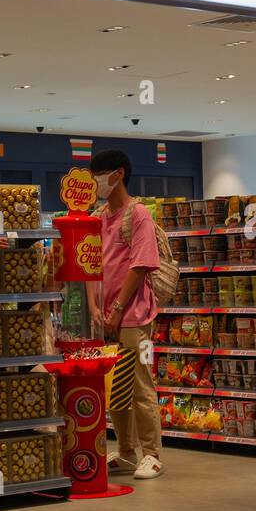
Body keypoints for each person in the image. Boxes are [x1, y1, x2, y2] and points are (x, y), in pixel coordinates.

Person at [88, 149, 164, 480]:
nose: (96, 182)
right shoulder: (99, 217)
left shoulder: (139, 214)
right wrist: (94, 306)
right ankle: (128, 451)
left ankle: (152, 454)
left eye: (100, 175)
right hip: (106, 317)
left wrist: (117, 308)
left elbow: (141, 264)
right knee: (115, 387)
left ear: (118, 174)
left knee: (140, 384)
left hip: (135, 316)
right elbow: (90, 264)